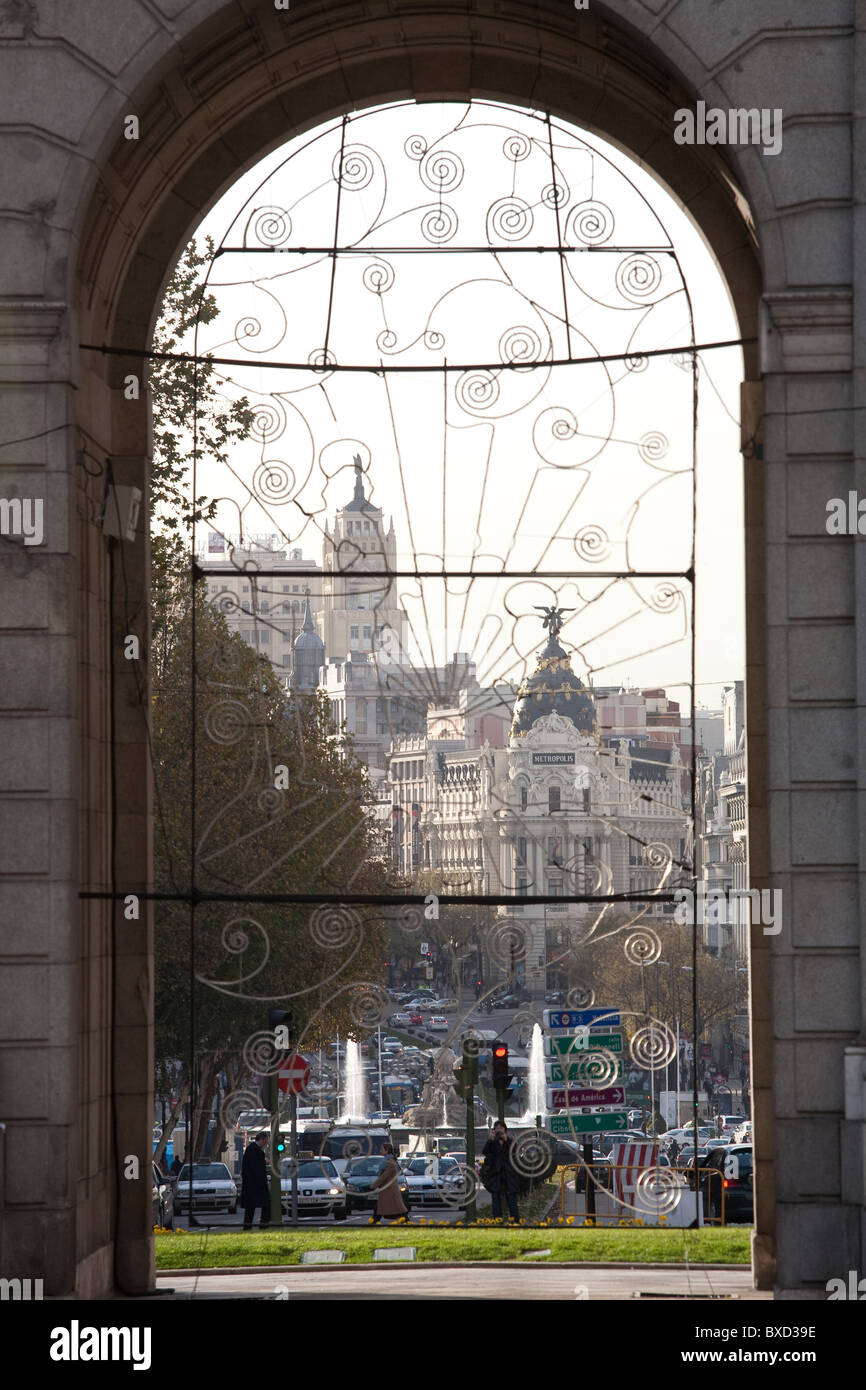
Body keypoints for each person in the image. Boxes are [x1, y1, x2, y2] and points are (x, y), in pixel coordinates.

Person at [481, 1121, 521, 1221]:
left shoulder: (509, 1140)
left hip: (509, 1174)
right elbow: (485, 1152)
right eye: (497, 1128)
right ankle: (498, 1220)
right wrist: (490, 1140)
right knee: (495, 1199)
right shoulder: (492, 1141)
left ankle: (515, 1221)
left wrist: (506, 1140)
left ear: (505, 1130)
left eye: (501, 1128)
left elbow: (515, 1151)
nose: (499, 1130)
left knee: (511, 1199)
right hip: (496, 1174)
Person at [370, 1143, 408, 1224]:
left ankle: (374, 1221)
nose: (380, 1151)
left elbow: (385, 1175)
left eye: (382, 1150)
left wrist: (374, 1185)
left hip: (389, 1189)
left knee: (396, 1207)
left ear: (387, 1151)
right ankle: (374, 1220)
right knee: (388, 1206)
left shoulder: (390, 1162)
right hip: (387, 1188)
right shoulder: (388, 1160)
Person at [240, 1132, 270, 1228]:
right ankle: (263, 1224)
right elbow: (258, 1169)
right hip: (256, 1184)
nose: (265, 1144)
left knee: (250, 1207)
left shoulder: (250, 1150)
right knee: (266, 1204)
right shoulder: (256, 1151)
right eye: (265, 1141)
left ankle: (248, 1226)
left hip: (251, 1184)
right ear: (262, 1140)